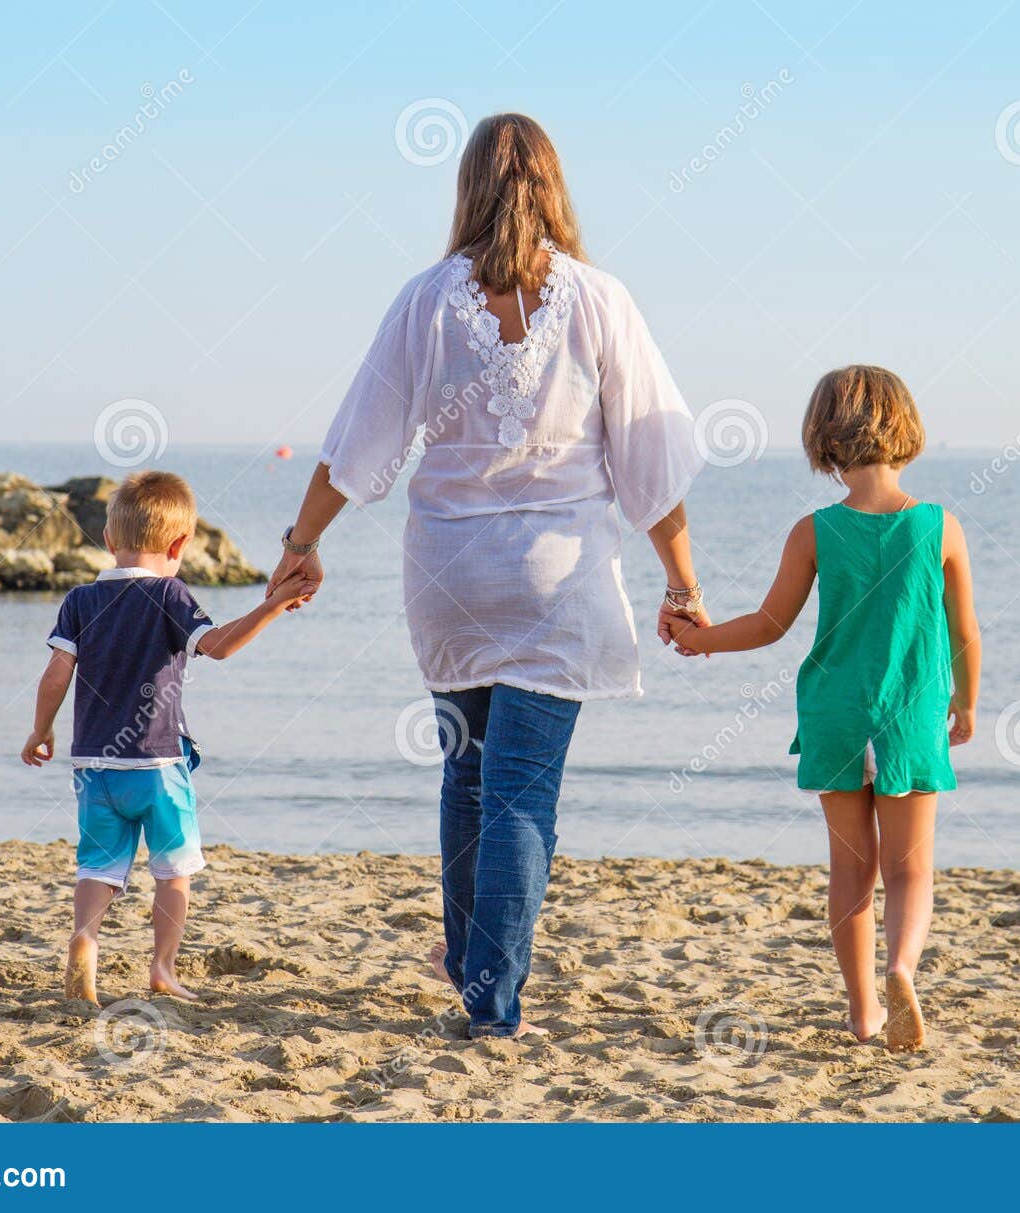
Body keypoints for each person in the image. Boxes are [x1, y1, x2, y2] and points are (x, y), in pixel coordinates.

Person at [266, 113, 707, 1038]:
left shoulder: (427, 299)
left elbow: (356, 442)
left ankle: (475, 973)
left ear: (466, 187)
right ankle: (493, 1004)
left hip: (450, 575)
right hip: (559, 578)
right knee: (519, 791)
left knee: (466, 778)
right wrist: (680, 584)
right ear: (554, 186)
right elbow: (651, 460)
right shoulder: (599, 299)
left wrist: (301, 542)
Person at [666, 365, 981, 1051]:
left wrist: (703, 640)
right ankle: (902, 965)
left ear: (825, 440)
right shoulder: (939, 527)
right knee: (910, 869)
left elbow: (771, 623)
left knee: (851, 872)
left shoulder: (813, 531)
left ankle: (864, 1011)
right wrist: (968, 705)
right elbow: (964, 633)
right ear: (906, 430)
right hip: (910, 717)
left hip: (834, 717)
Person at [21, 470, 316, 1006]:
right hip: (157, 763)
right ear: (180, 545)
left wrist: (40, 731)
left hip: (94, 765)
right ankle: (161, 968)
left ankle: (84, 942)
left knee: (97, 867)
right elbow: (220, 646)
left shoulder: (80, 601)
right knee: (173, 872)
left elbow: (55, 675)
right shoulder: (170, 595)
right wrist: (272, 606)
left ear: (109, 541)